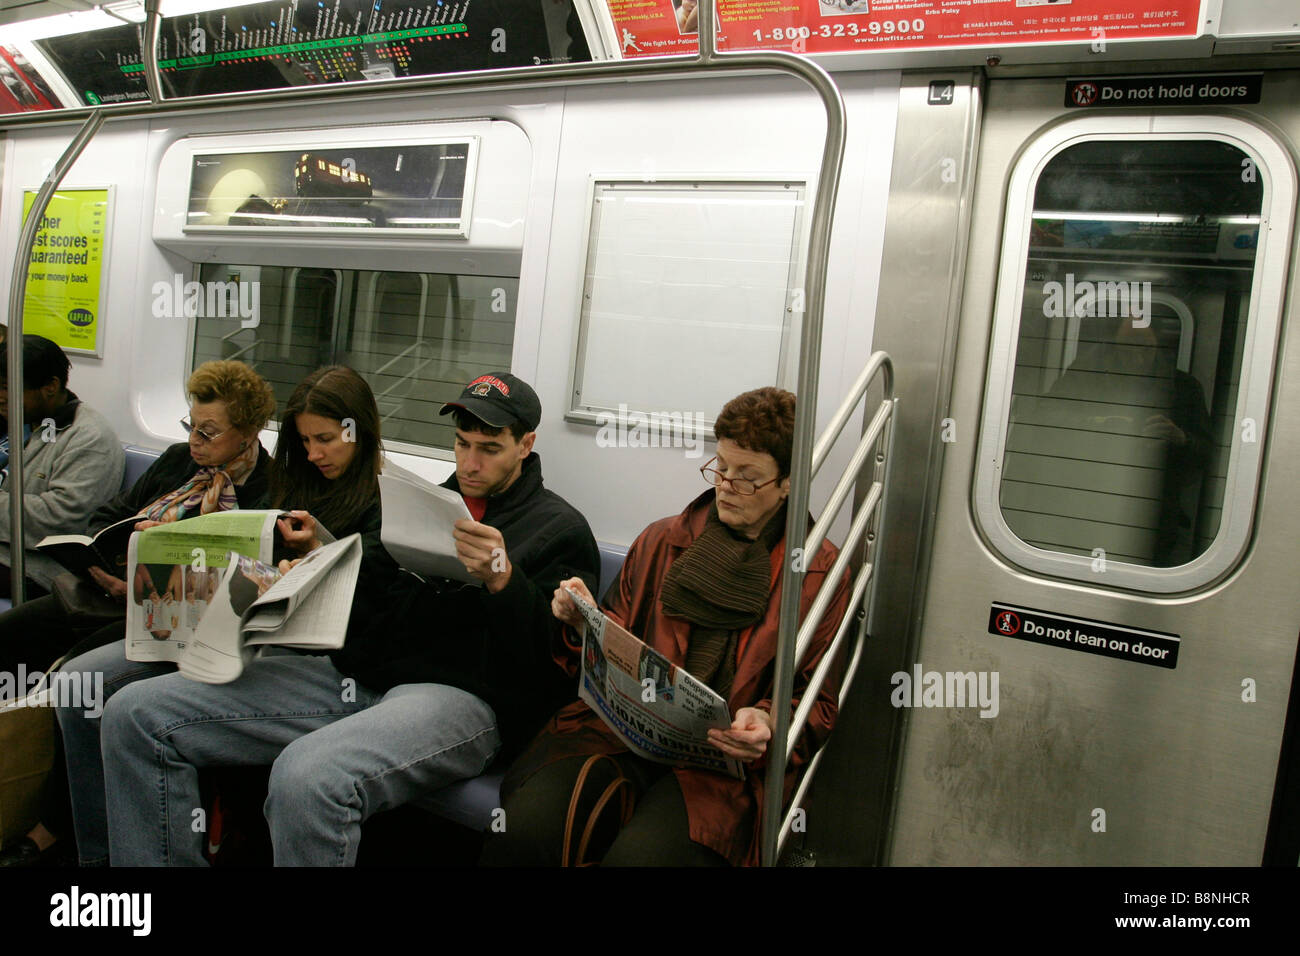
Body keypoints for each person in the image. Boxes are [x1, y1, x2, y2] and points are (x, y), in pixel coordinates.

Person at [93, 371, 600, 866]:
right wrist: (317, 564)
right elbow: (372, 592)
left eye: (488, 450)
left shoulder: (559, 530)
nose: (469, 462)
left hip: (460, 695)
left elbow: (549, 666)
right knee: (135, 715)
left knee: (306, 776)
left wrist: (502, 580)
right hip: (362, 670)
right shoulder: (427, 501)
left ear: (526, 443)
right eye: (461, 443)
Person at [481, 387, 850, 867]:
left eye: (748, 477)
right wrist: (581, 624)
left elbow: (816, 701)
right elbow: (610, 643)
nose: (725, 485)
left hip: (720, 770)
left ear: (789, 484)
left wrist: (768, 721)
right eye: (721, 467)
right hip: (617, 736)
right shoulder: (662, 539)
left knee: (642, 859)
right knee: (526, 835)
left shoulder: (818, 575)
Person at [52, 364, 394, 867]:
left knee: (132, 712)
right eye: (304, 441)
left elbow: (372, 608)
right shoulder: (288, 486)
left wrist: (312, 558)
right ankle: (100, 857)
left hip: (306, 659)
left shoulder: (382, 503)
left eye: (326, 439)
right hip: (223, 629)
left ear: (358, 432)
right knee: (80, 684)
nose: (315, 453)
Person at [0, 358, 275, 867]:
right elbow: (110, 517)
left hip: (177, 618)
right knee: (8, 633)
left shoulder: (269, 491)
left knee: (76, 681)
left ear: (249, 432)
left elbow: (246, 582)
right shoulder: (176, 462)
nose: (195, 440)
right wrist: (112, 561)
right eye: (191, 425)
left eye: (209, 431)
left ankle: (56, 828)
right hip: (106, 592)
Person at [0, 334, 124, 598]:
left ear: (50, 386)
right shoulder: (21, 419)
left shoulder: (89, 438)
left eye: (8, 387)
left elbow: (61, 521)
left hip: (37, 566)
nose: (1, 397)